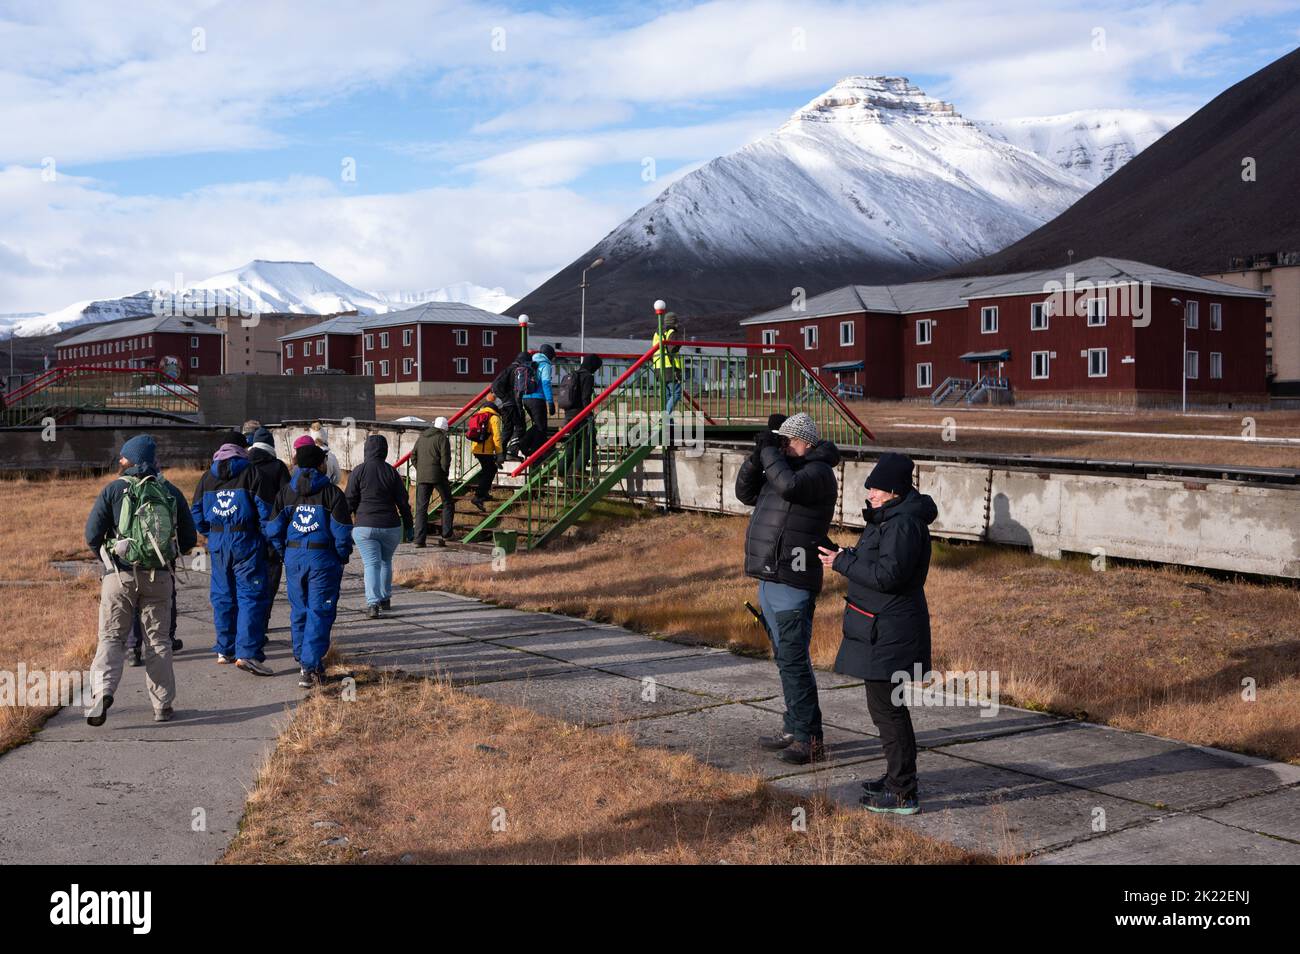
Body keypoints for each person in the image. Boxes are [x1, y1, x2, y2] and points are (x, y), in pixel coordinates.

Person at [819, 452, 936, 816]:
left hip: (892, 631)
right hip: (882, 627)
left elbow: (888, 577)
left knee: (889, 711)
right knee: (885, 709)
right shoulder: (889, 519)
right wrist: (844, 554)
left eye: (878, 487)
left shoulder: (903, 525)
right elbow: (877, 564)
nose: (870, 492)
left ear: (896, 491)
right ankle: (895, 780)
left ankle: (902, 792)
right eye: (870, 485)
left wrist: (842, 562)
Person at [735, 411, 840, 765]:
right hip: (771, 575)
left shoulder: (818, 473)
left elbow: (789, 487)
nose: (782, 447)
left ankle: (811, 739)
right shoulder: (783, 467)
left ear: (805, 443)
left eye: (786, 441)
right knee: (784, 660)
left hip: (793, 579)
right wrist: (758, 454)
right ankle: (795, 727)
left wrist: (770, 454)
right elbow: (744, 492)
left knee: (794, 661)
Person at [84, 435, 197, 725]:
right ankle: (162, 706)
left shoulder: (113, 490)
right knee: (158, 641)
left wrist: (112, 555)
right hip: (159, 576)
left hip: (119, 575)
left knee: (111, 637)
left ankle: (102, 694)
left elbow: (91, 536)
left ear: (128, 461)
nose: (119, 461)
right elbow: (187, 540)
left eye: (122, 457)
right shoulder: (169, 491)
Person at [264, 443, 354, 688]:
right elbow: (343, 533)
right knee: (319, 612)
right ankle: (310, 666)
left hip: (294, 560)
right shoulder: (332, 494)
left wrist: (286, 552)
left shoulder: (285, 493)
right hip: (322, 561)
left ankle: (303, 657)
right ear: (319, 464)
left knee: (300, 610)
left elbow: (272, 529)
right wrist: (341, 556)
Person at [190, 430, 274, 676]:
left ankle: (224, 649)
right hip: (246, 539)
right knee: (251, 596)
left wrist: (211, 532)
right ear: (242, 448)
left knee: (222, 595)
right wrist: (268, 539)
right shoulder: (251, 473)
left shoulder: (207, 477)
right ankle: (246, 653)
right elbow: (265, 512)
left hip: (218, 541)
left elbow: (196, 512)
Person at [346, 434, 414, 617]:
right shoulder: (392, 472)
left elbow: (349, 501)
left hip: (364, 526)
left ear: (366, 450)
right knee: (386, 561)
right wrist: (409, 526)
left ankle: (372, 603)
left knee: (371, 564)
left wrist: (343, 526)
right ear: (385, 451)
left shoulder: (358, 471)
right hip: (390, 526)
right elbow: (403, 502)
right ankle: (385, 598)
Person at [247, 426, 291, 634]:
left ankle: (247, 622)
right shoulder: (278, 467)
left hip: (245, 531)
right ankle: (263, 621)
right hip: (272, 530)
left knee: (247, 579)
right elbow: (287, 496)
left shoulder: (243, 464)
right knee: (271, 577)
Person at [411, 416, 454, 546]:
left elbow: (413, 456)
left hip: (422, 476)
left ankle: (419, 540)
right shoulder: (442, 438)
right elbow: (445, 459)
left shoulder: (422, 437)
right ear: (444, 428)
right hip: (438, 476)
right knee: (448, 502)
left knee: (421, 508)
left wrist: (420, 469)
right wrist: (444, 473)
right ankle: (446, 534)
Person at [561, 354, 603, 475]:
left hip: (568, 414)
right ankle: (578, 468)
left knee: (572, 444)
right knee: (589, 443)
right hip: (580, 415)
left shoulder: (574, 374)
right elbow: (585, 398)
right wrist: (589, 415)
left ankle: (560, 470)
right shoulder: (587, 377)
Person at [466, 395, 505, 512]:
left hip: (476, 448)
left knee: (488, 469)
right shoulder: (494, 417)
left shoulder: (479, 413)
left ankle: (484, 492)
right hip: (485, 450)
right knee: (490, 470)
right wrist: (500, 453)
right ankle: (478, 496)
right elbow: (497, 437)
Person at [520, 344, 556, 457]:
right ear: (549, 355)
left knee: (537, 424)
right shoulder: (545, 365)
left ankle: (528, 445)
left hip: (525, 398)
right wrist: (550, 402)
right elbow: (546, 383)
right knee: (541, 427)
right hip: (537, 399)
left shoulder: (530, 362)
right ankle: (534, 452)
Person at [492, 353, 530, 459]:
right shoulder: (517, 371)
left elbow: (495, 386)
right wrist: (519, 406)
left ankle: (499, 454)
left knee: (507, 429)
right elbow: (517, 391)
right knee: (520, 426)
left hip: (502, 404)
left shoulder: (507, 369)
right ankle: (512, 451)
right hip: (510, 403)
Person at [653, 312, 684, 418]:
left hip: (658, 367)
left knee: (666, 395)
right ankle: (665, 416)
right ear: (674, 322)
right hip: (670, 367)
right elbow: (672, 349)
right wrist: (679, 344)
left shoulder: (657, 333)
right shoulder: (672, 332)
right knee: (676, 393)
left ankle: (667, 421)